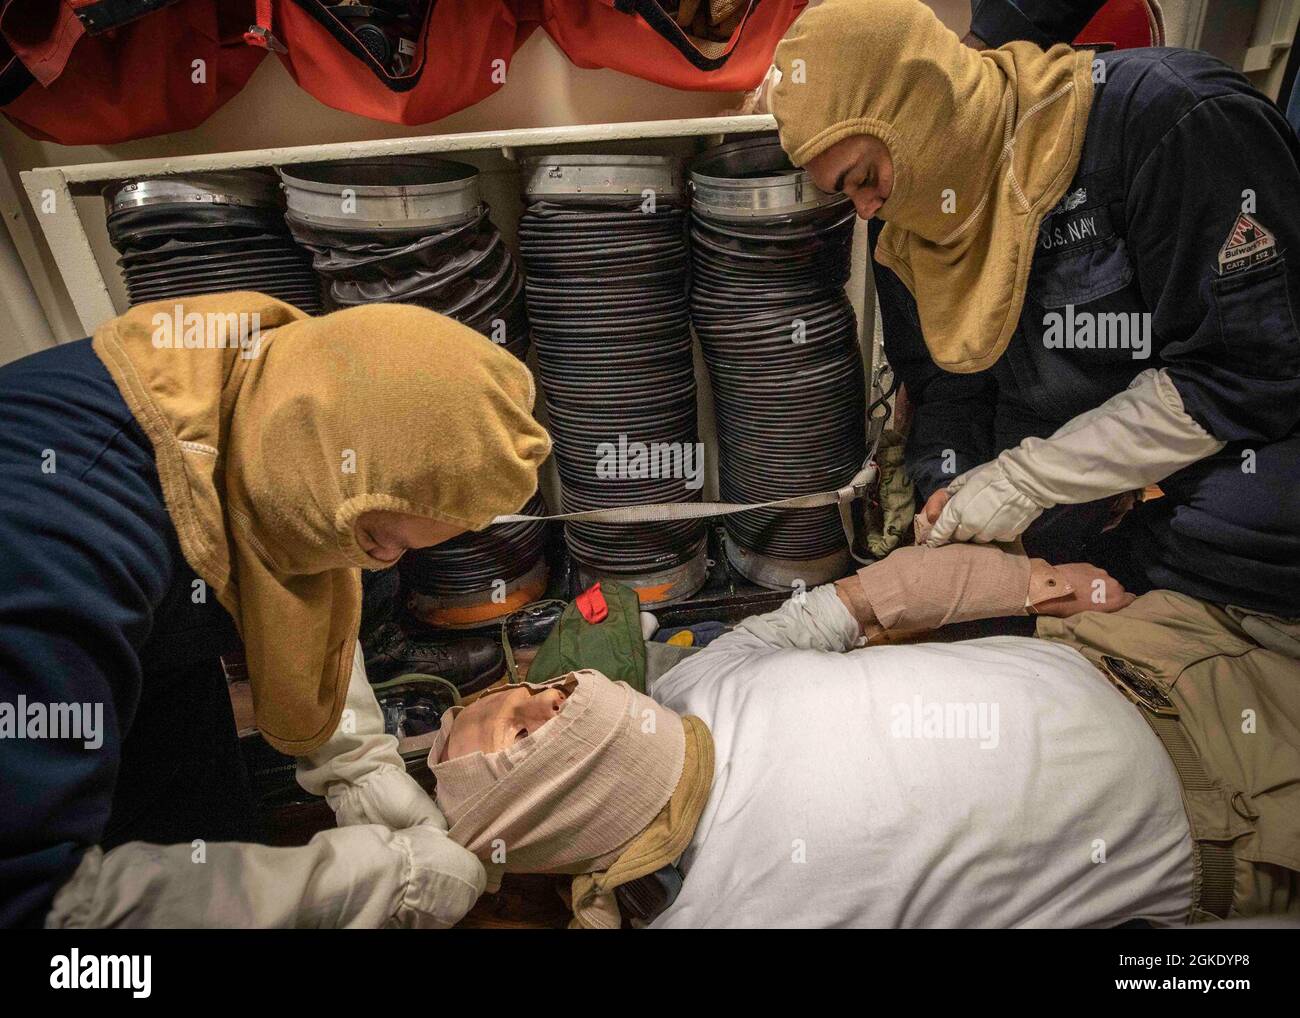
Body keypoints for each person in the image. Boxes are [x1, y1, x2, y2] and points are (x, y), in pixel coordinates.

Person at [0, 292, 552, 928]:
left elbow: (299, 555)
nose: (376, 565)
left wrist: (352, 759)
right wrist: (352, 887)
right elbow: (42, 906)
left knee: (200, 832)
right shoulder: (57, 549)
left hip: (153, 654)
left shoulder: (268, 401)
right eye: (378, 539)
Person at [427, 543, 1300, 928]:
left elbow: (869, 599)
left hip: (1152, 651)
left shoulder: (694, 681)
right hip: (1249, 822)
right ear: (535, 811)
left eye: (524, 690)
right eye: (514, 733)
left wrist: (1026, 580)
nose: (545, 699)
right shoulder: (727, 915)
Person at [769, 0, 1300, 617]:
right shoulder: (905, 221)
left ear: (918, 108)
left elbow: (1247, 377)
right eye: (846, 193)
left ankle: (1123, 567)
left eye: (864, 178)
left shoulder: (1176, 120)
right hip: (1068, 454)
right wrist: (952, 491)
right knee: (1005, 554)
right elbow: (946, 389)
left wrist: (1031, 479)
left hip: (1236, 433)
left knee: (1259, 519)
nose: (864, 210)